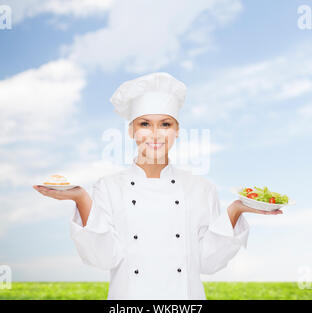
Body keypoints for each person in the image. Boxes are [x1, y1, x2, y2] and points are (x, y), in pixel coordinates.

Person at [33, 72, 283, 300]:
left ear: (177, 131)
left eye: (165, 124)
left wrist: (235, 211)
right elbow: (103, 257)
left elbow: (207, 263)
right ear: (131, 131)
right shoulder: (108, 187)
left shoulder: (201, 188)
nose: (155, 134)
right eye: (144, 124)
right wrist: (82, 199)